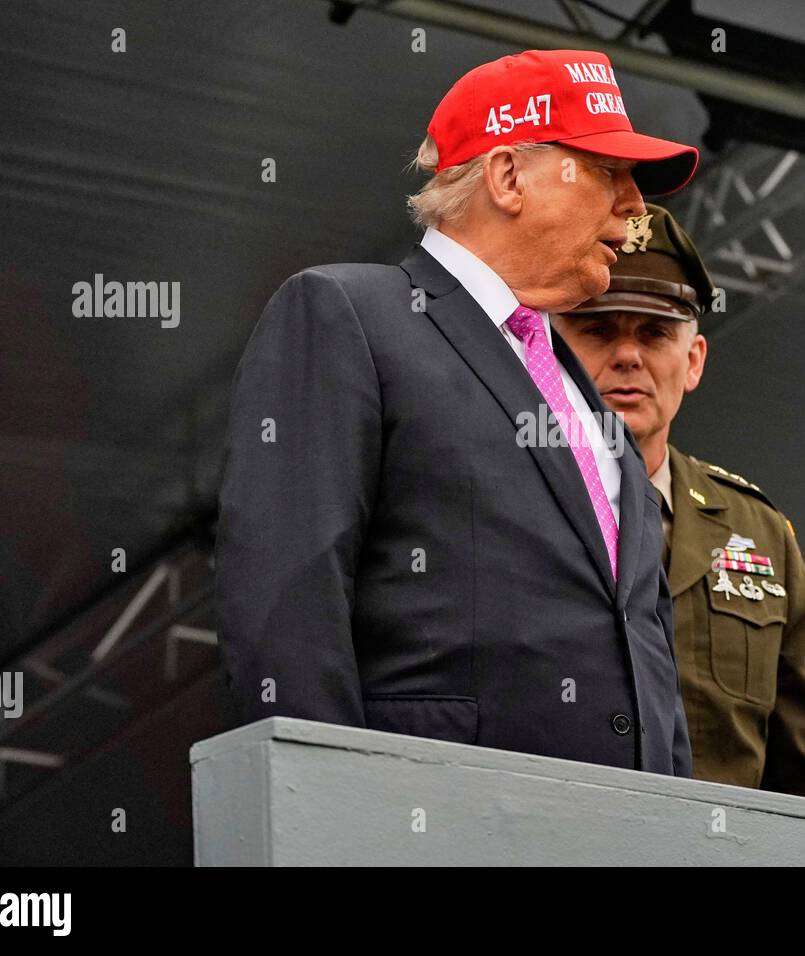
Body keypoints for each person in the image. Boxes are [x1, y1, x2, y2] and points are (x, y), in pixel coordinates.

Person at [215, 50, 701, 775]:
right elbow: (287, 598)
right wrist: (327, 809)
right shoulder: (350, 314)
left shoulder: (576, 388)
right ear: (508, 176)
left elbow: (642, 641)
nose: (635, 206)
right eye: (608, 172)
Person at [553, 203, 805, 801]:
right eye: (597, 329)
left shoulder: (759, 531)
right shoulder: (503, 498)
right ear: (548, 350)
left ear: (692, 362)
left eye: (655, 333)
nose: (627, 355)